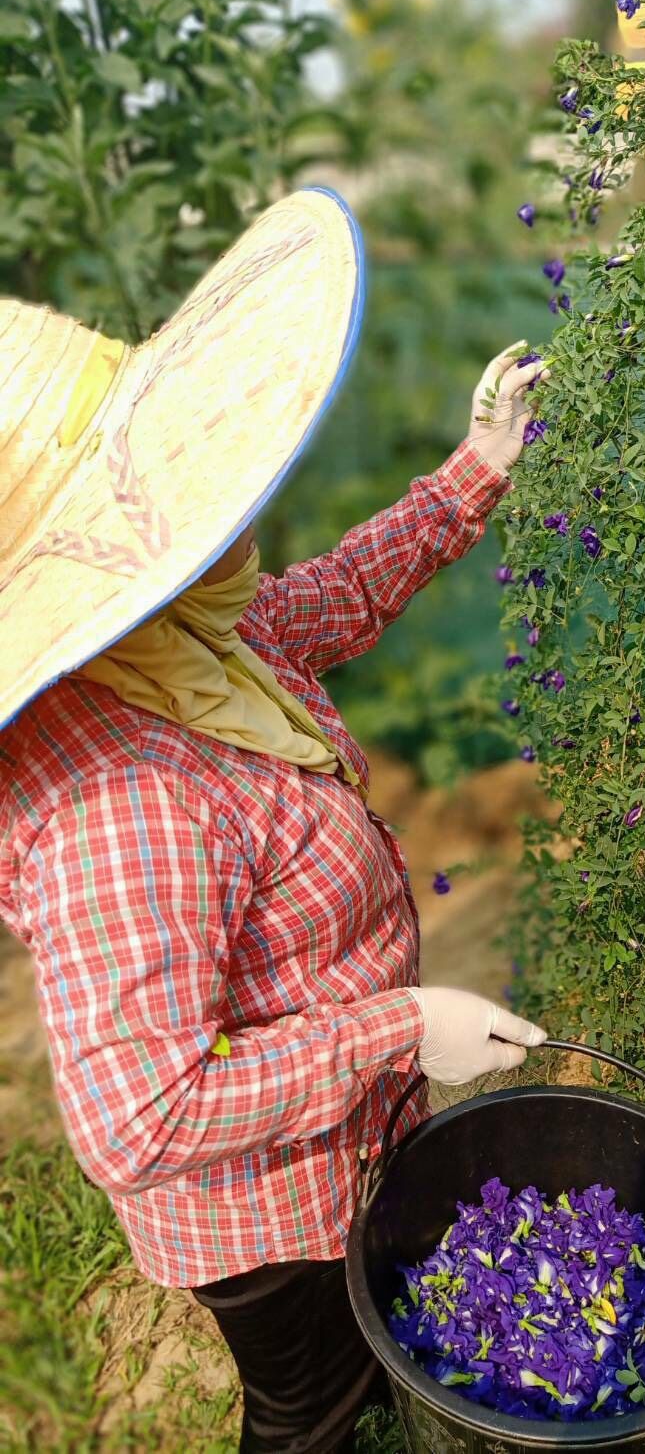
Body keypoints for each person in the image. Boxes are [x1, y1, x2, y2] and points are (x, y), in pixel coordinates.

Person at [0, 188, 549, 1452]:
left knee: (367, 1351)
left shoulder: (176, 643)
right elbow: (142, 1119)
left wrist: (472, 474)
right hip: (268, 1212)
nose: (233, 497)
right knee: (306, 1410)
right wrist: (403, 1027)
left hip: (340, 1149)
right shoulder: (122, 801)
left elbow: (331, 599)